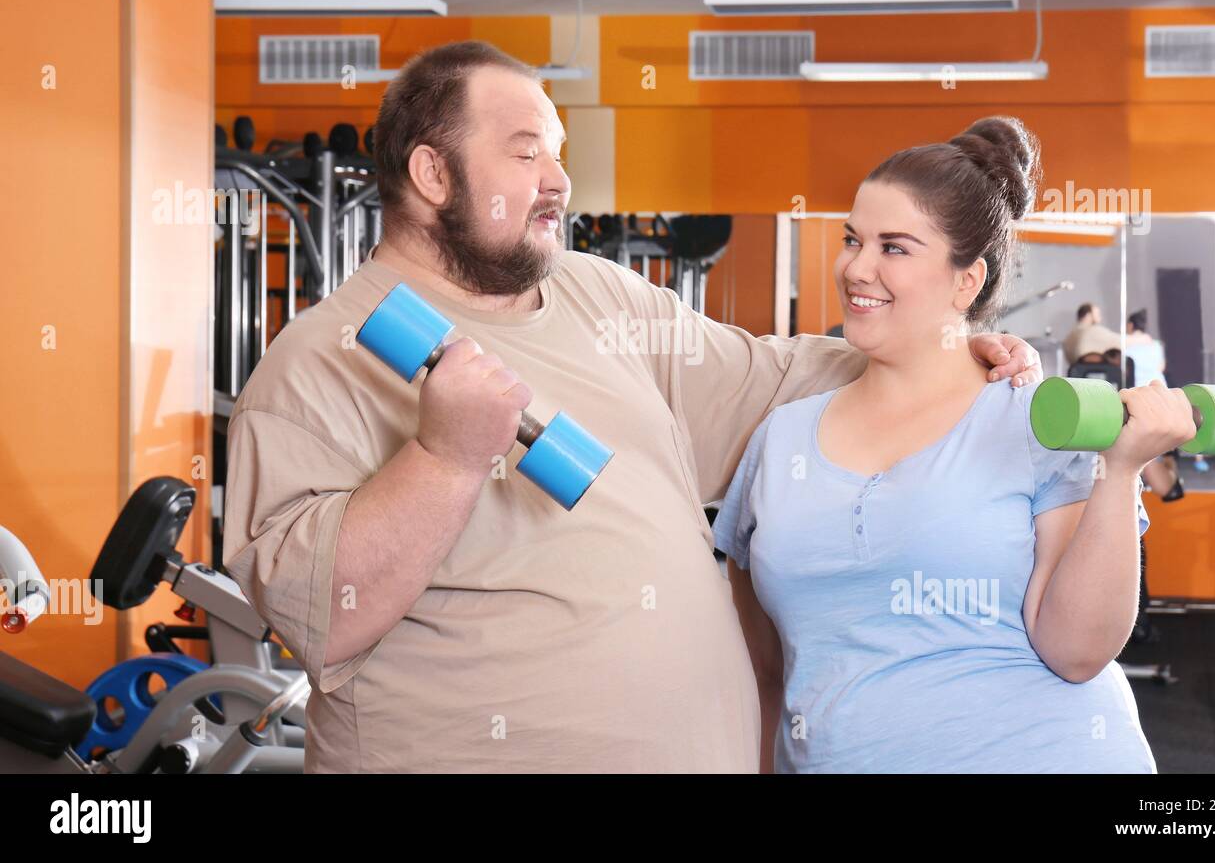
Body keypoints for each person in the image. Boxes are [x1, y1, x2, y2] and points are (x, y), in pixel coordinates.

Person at [219, 41, 1042, 773]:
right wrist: (446, 459)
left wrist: (941, 354)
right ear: (434, 175)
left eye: (558, 154)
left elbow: (769, 381)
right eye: (526, 153)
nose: (558, 180)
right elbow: (320, 618)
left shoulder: (598, 294)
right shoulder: (317, 363)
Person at [714, 117, 1191, 773]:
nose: (856, 267)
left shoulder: (1035, 420)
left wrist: (1122, 469)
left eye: (895, 248)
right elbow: (765, 673)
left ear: (967, 281)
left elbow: (1077, 651)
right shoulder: (780, 440)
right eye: (852, 239)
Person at [1126, 309, 1167, 388]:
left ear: (1130, 325)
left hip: (1139, 388)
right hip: (1160, 386)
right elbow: (1161, 367)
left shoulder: (1126, 345)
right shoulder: (1156, 345)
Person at [1062, 301, 1103, 366]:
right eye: (1097, 314)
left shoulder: (1070, 335)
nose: (1100, 317)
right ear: (1088, 315)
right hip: (1092, 369)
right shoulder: (1092, 331)